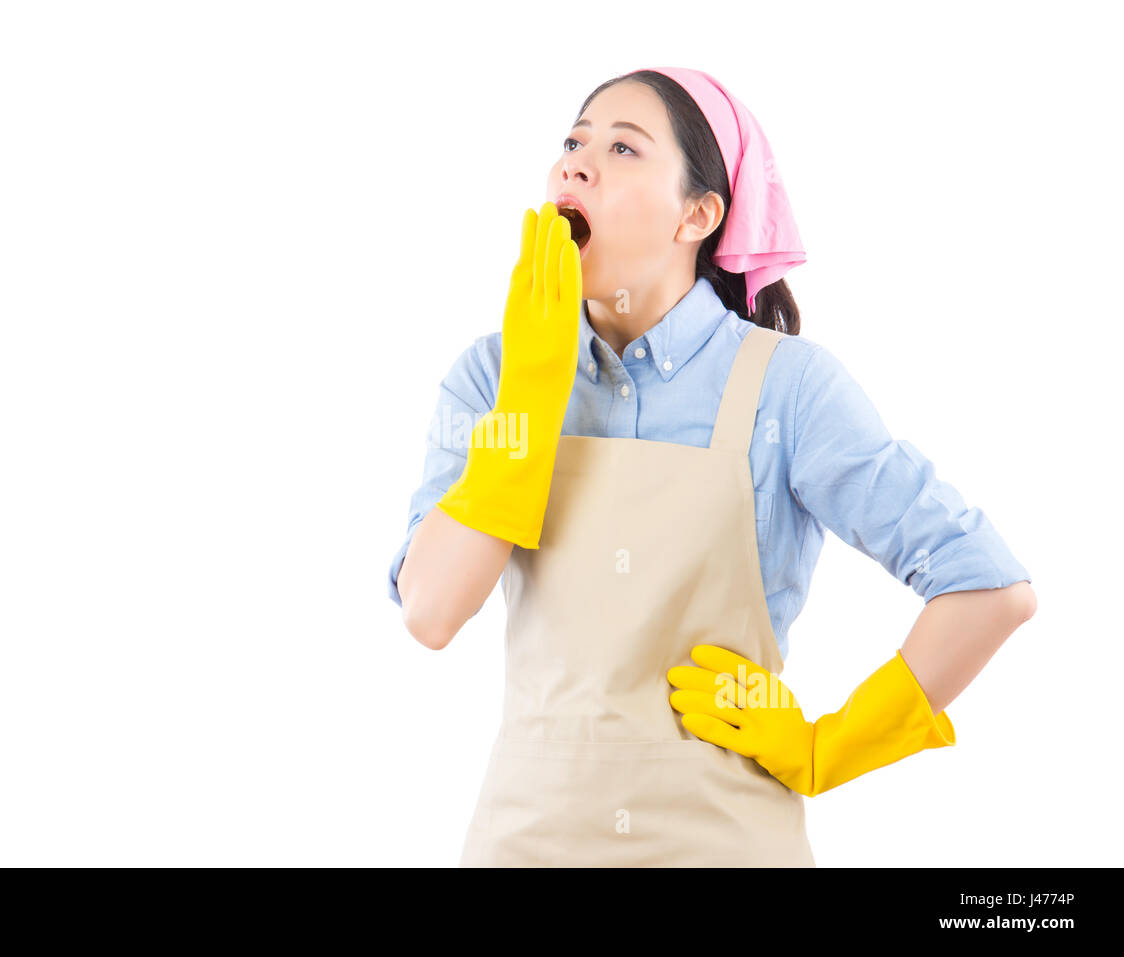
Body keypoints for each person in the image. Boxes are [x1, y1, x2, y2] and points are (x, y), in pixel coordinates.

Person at [385, 67, 1036, 867]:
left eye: (623, 147)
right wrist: (531, 389)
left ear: (699, 214)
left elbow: (990, 586)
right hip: (524, 842)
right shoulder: (490, 378)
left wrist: (831, 745)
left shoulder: (787, 389)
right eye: (572, 143)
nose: (576, 165)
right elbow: (432, 612)